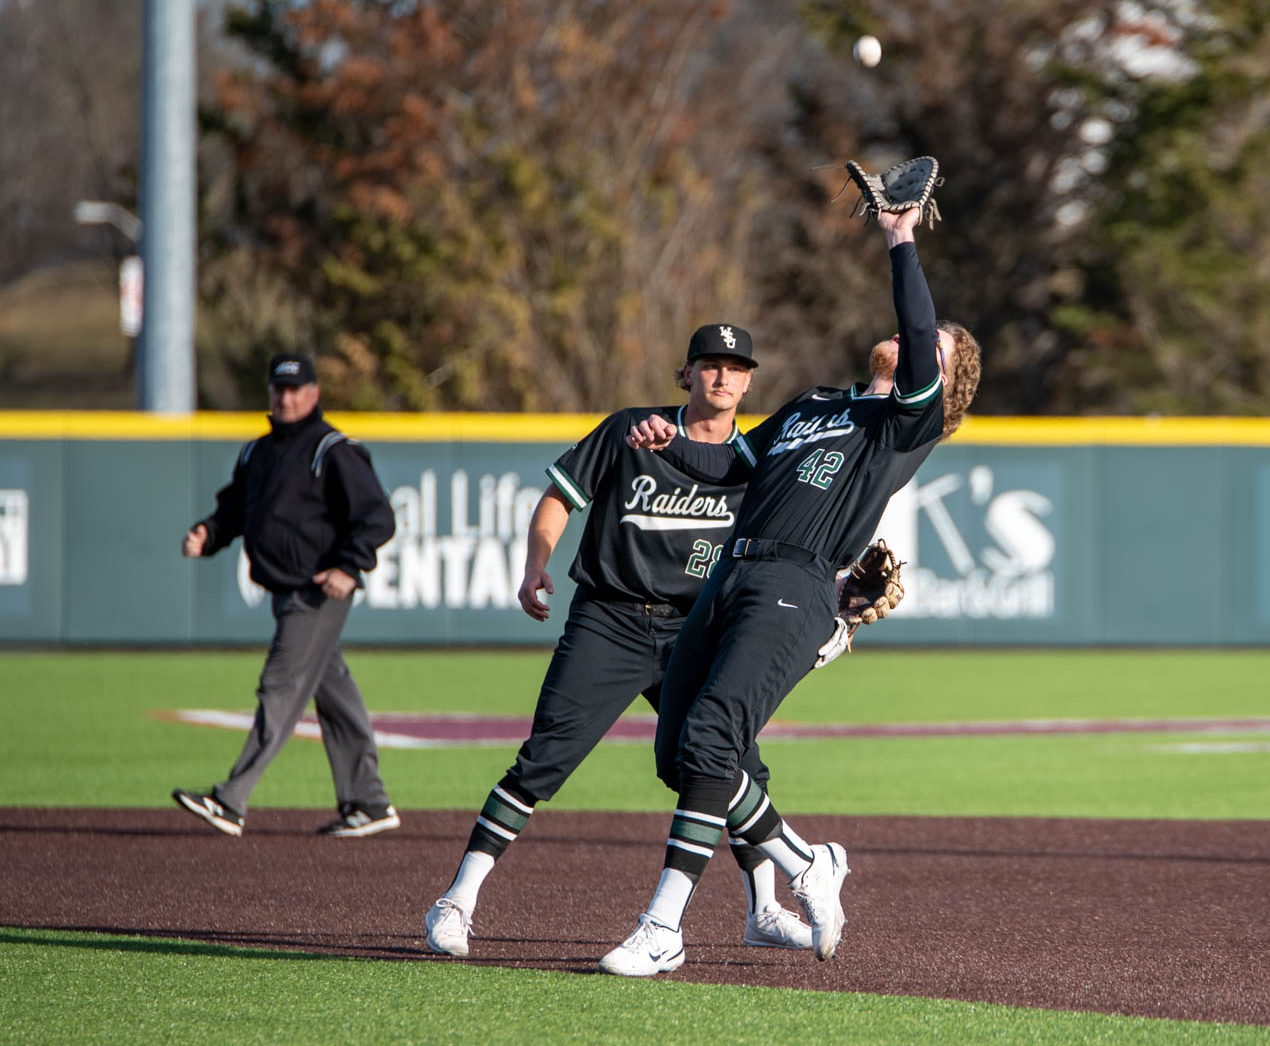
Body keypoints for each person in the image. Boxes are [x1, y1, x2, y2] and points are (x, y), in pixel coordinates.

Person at [598, 204, 981, 976]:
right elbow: (735, 466)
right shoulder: (816, 405)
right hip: (729, 574)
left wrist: (900, 238)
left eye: (929, 347)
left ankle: (664, 927)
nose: (912, 343)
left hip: (796, 580)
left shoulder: (907, 423)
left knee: (711, 740)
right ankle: (811, 861)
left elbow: (916, 327)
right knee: (681, 756)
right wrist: (675, 444)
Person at [422, 324, 819, 958]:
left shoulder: (758, 461)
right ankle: (456, 900)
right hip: (610, 619)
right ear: (685, 374)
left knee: (736, 762)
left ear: (748, 381)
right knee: (544, 758)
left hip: (695, 630)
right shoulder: (632, 430)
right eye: (709, 365)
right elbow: (559, 497)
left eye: (735, 367)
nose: (722, 376)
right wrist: (534, 565)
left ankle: (763, 910)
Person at [171, 354, 400, 838]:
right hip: (286, 590)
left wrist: (350, 565)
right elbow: (235, 508)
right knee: (332, 691)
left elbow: (378, 515)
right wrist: (209, 534)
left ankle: (230, 799)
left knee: (279, 686)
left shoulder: (332, 449)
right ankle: (369, 801)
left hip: (317, 591)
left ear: (314, 393)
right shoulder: (259, 452)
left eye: (296, 389)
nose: (287, 396)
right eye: (279, 388)